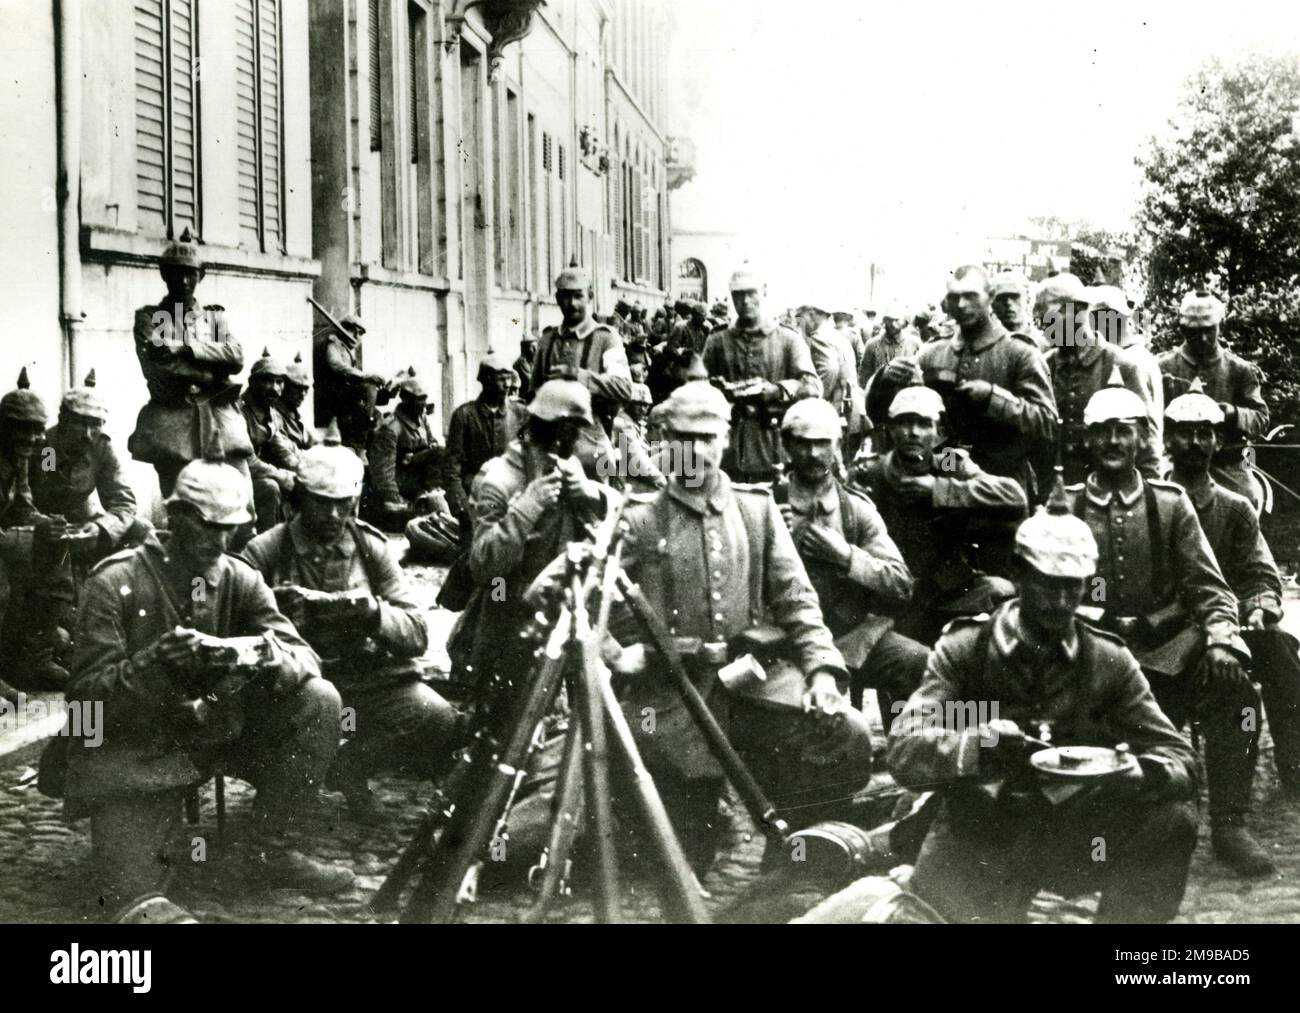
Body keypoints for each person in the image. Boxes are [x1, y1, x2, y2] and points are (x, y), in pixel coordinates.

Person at [59, 441, 352, 922]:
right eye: (207, 528)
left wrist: (262, 655)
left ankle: (267, 850)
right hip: (135, 750)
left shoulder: (239, 578)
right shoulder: (114, 582)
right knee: (130, 897)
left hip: (216, 731)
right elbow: (84, 705)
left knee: (320, 701)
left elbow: (306, 657)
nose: (218, 543)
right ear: (176, 516)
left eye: (229, 530)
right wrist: (151, 664)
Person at [887, 476, 1200, 924]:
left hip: (1071, 832)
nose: (1060, 602)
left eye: (1073, 587)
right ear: (1017, 574)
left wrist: (1141, 770)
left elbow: (1179, 756)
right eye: (1047, 585)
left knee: (1173, 821)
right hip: (980, 832)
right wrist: (976, 743)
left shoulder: (1106, 659)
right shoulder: (967, 652)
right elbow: (905, 745)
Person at [603, 381, 874, 870]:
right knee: (682, 853)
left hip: (751, 680)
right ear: (665, 440)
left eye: (709, 437)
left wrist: (822, 672)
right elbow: (586, 603)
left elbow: (797, 601)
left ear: (727, 439)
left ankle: (794, 857)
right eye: (685, 438)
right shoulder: (639, 518)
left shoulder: (756, 509)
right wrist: (620, 656)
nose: (698, 450)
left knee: (843, 733)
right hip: (671, 693)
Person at [1067, 383, 1267, 876]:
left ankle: (1229, 822)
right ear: (1088, 440)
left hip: (1167, 658)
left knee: (1236, 696)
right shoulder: (1064, 506)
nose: (1114, 442)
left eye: (1124, 431)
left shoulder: (1171, 504)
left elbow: (1211, 588)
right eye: (1103, 433)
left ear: (1141, 439)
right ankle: (1091, 841)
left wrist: (1222, 639)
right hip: (1092, 661)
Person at [242, 424, 461, 823]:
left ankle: (352, 764)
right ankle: (282, 817)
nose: (333, 515)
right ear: (298, 500)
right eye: (321, 503)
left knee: (438, 718)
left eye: (344, 504)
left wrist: (372, 613)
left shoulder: (370, 547)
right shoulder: (265, 552)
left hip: (367, 682)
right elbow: (235, 630)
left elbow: (416, 631)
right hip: (298, 688)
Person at [1166, 382, 1300, 810]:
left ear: (1218, 439)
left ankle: (1294, 768)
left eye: (1204, 432)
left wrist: (1260, 607)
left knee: (1282, 652)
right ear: (1167, 439)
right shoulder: (1154, 499)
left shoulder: (1235, 506)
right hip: (1169, 632)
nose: (1194, 442)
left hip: (1230, 625)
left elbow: (1260, 572)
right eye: (1184, 432)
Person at [447, 380, 612, 693]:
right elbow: (482, 565)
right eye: (575, 432)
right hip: (505, 620)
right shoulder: (498, 480)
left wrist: (592, 494)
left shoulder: (568, 468)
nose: (579, 441)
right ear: (562, 432)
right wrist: (525, 510)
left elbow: (611, 527)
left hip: (561, 615)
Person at [775, 397, 926, 720]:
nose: (813, 454)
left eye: (822, 443)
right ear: (786, 445)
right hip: (786, 642)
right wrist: (771, 536)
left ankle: (909, 753)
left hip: (851, 638)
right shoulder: (767, 506)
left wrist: (847, 557)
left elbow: (901, 582)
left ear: (838, 445)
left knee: (918, 662)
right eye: (802, 443)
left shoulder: (856, 510)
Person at [851, 386, 1025, 645]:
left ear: (938, 431)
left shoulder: (947, 462)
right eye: (904, 423)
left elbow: (1014, 496)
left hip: (946, 589)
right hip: (890, 593)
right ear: (890, 429)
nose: (913, 433)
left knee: (1002, 592)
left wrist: (941, 489)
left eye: (924, 424)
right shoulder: (873, 472)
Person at [870, 265, 1057, 501]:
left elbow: (1048, 425)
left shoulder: (1020, 353)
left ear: (989, 297)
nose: (961, 305)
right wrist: (886, 381)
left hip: (1001, 488)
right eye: (954, 297)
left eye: (970, 296)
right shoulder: (932, 353)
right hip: (941, 481)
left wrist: (993, 398)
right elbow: (886, 417)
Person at [128, 229, 255, 497]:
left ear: (201, 275)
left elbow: (235, 356)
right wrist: (212, 374)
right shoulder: (153, 318)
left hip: (222, 422)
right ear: (164, 274)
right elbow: (160, 369)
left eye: (191, 273)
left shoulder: (214, 317)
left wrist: (185, 348)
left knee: (242, 502)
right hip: (175, 424)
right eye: (175, 273)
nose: (184, 280)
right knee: (185, 506)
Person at [0, 370, 78, 699]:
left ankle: (37, 657)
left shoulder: (18, 459)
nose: (36, 439)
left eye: (37, 430)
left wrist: (47, 524)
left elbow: (22, 507)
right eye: (25, 429)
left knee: (56, 544)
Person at [1040, 273, 1161, 484]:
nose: (1043, 327)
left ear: (1076, 311)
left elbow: (1145, 440)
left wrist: (1151, 496)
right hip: (1053, 488)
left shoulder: (1121, 364)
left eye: (1048, 318)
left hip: (1106, 489)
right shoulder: (1046, 365)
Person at [702, 267, 821, 482]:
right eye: (738, 295)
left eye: (751, 293)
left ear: (763, 292)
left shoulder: (787, 340)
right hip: (726, 450)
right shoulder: (717, 341)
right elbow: (695, 388)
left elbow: (812, 386)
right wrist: (713, 388)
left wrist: (778, 390)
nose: (745, 301)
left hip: (774, 447)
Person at [1158, 290, 1269, 513]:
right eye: (1194, 332)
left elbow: (1261, 418)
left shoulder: (1240, 370)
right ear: (1182, 330)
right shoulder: (1163, 367)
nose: (1204, 338)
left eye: (1209, 330)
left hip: (1227, 465)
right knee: (1156, 504)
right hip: (1175, 461)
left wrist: (1232, 413)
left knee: (1248, 503)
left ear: (1220, 326)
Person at [31, 369, 146, 563]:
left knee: (142, 530)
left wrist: (102, 526)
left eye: (95, 424)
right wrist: (43, 524)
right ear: (63, 420)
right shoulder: (46, 447)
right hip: (43, 527)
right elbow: (38, 493)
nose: (87, 434)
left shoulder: (101, 448)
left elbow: (123, 501)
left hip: (83, 526)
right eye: (80, 424)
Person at [531, 261, 634, 476]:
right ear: (557, 299)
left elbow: (624, 388)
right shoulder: (547, 341)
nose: (572, 304)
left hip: (592, 442)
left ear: (589, 296)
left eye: (578, 296)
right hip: (549, 445)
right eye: (565, 297)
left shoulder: (606, 338)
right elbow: (533, 393)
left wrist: (580, 376)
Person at [441, 351, 518, 529]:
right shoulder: (464, 416)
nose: (507, 384)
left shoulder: (518, 414)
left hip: (512, 500)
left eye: (509, 378)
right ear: (486, 380)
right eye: (501, 379)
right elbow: (452, 468)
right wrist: (461, 508)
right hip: (475, 501)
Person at [364, 369, 444, 530]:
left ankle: (432, 495)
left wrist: (420, 454)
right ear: (406, 400)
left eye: (424, 399)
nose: (423, 404)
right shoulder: (392, 427)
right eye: (418, 400)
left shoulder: (421, 418)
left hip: (421, 479)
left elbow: (432, 442)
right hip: (402, 482)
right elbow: (383, 471)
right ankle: (427, 499)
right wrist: (395, 501)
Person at [240, 348, 300, 532]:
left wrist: (303, 470)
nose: (274, 388)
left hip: (256, 473)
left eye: (279, 382)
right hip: (236, 475)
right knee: (270, 488)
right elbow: (246, 460)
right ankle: (265, 548)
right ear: (253, 382)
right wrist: (281, 476)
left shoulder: (271, 412)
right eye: (267, 381)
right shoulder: (239, 411)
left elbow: (280, 449)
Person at [315, 311, 386, 454]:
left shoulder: (346, 349)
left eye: (360, 334)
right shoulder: (333, 343)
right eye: (355, 332)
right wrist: (366, 376)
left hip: (341, 397)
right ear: (345, 329)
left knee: (376, 415)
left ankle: (372, 450)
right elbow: (336, 365)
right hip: (329, 396)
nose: (357, 337)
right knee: (368, 389)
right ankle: (358, 445)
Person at [859, 305, 920, 389]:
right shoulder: (872, 344)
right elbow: (864, 376)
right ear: (884, 321)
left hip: (904, 395)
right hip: (879, 394)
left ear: (904, 322)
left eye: (896, 320)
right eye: (889, 320)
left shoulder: (914, 343)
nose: (892, 324)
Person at [990, 271, 1049, 352]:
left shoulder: (1044, 344)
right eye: (1002, 298)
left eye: (1014, 297)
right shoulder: (987, 345)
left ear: (1027, 298)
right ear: (992, 303)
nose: (1008, 303)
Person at [278, 354, 316, 453]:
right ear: (284, 386)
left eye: (306, 389)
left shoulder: (296, 414)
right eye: (297, 388)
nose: (303, 394)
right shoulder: (275, 415)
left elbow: (311, 442)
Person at [514, 334, 538, 402]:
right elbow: (531, 382)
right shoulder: (521, 362)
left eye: (536, 347)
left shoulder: (532, 361)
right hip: (525, 399)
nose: (535, 350)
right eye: (532, 347)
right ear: (525, 349)